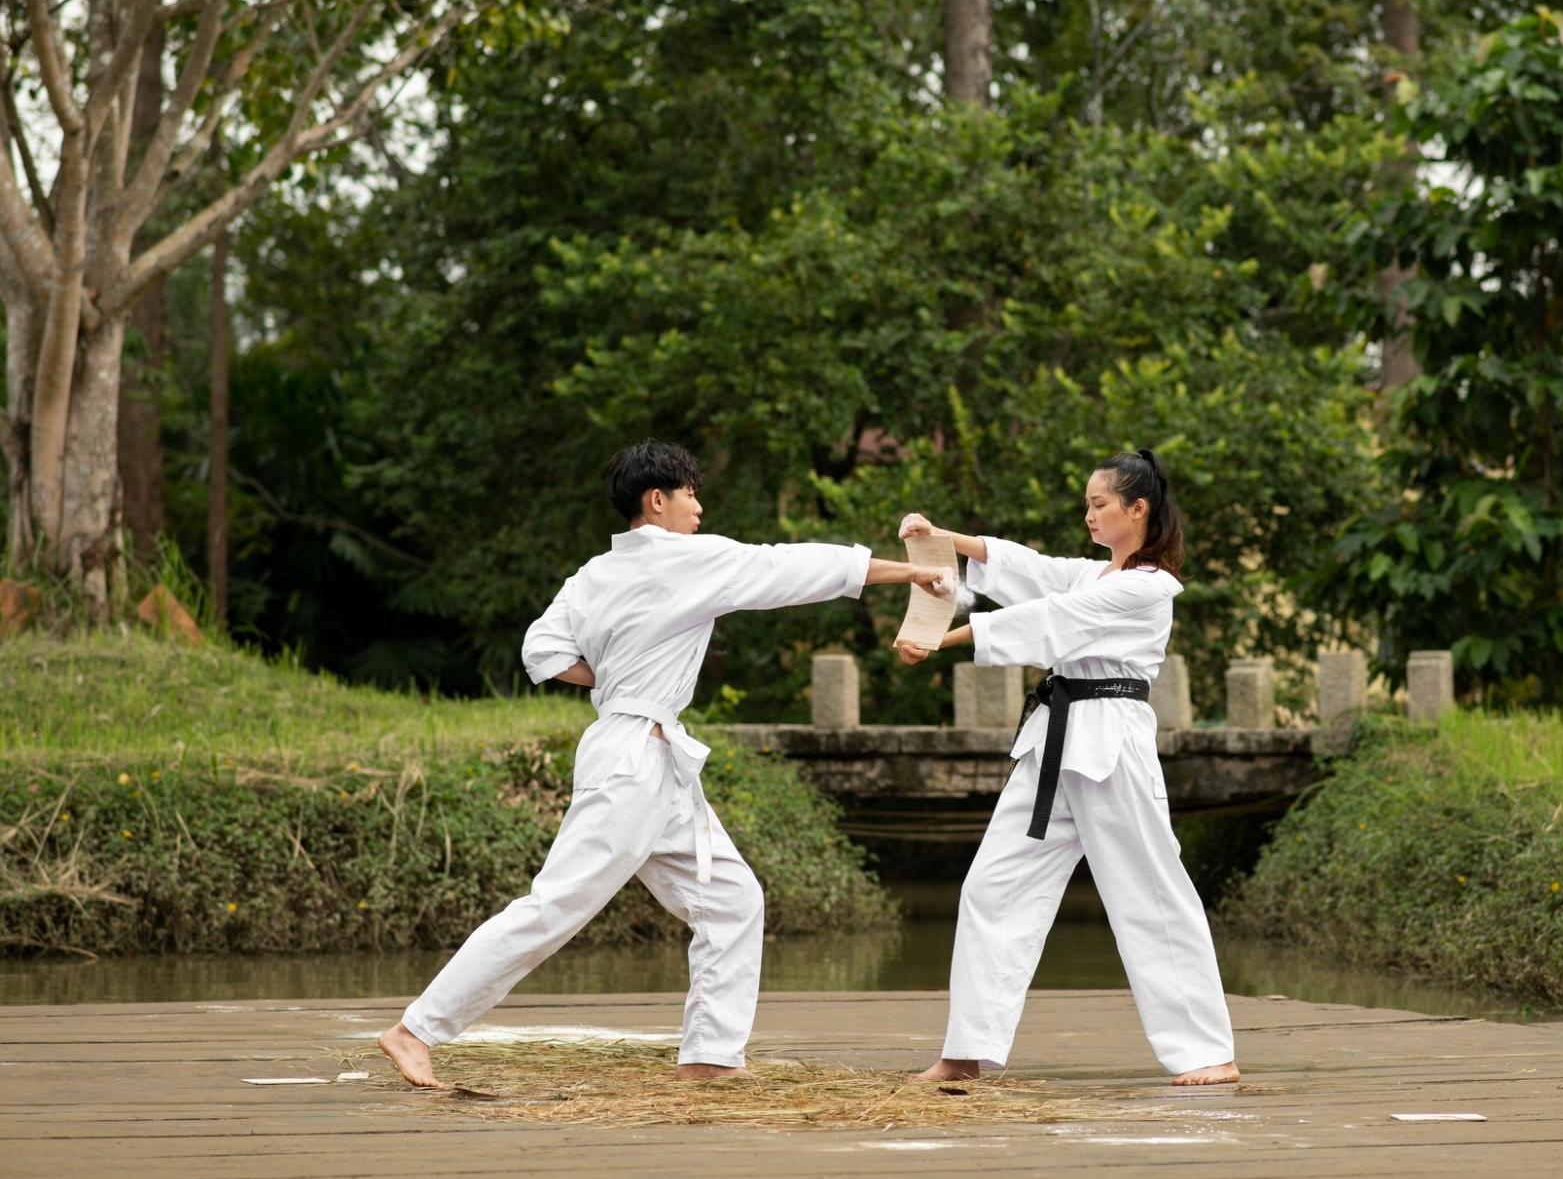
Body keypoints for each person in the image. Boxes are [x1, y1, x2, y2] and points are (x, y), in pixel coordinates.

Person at [380, 438, 949, 1088]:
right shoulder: (686, 558)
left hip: (647, 752)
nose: (699, 507)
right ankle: (416, 1028)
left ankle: (710, 1057)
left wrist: (616, 676)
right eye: (690, 494)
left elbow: (541, 649)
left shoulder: (592, 574)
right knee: (555, 904)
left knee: (733, 901)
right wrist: (909, 573)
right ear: (658, 499)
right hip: (634, 757)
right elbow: (789, 567)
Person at [893, 449, 1240, 1086]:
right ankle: (967, 1051)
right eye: (1086, 503)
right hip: (1052, 744)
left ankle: (1206, 1052)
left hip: (1111, 746)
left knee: (1149, 893)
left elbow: (1053, 620)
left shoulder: (1149, 587)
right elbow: (1034, 572)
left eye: (1099, 503)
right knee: (992, 889)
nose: (1088, 513)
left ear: (1138, 509)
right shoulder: (1095, 574)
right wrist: (945, 541)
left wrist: (944, 640)